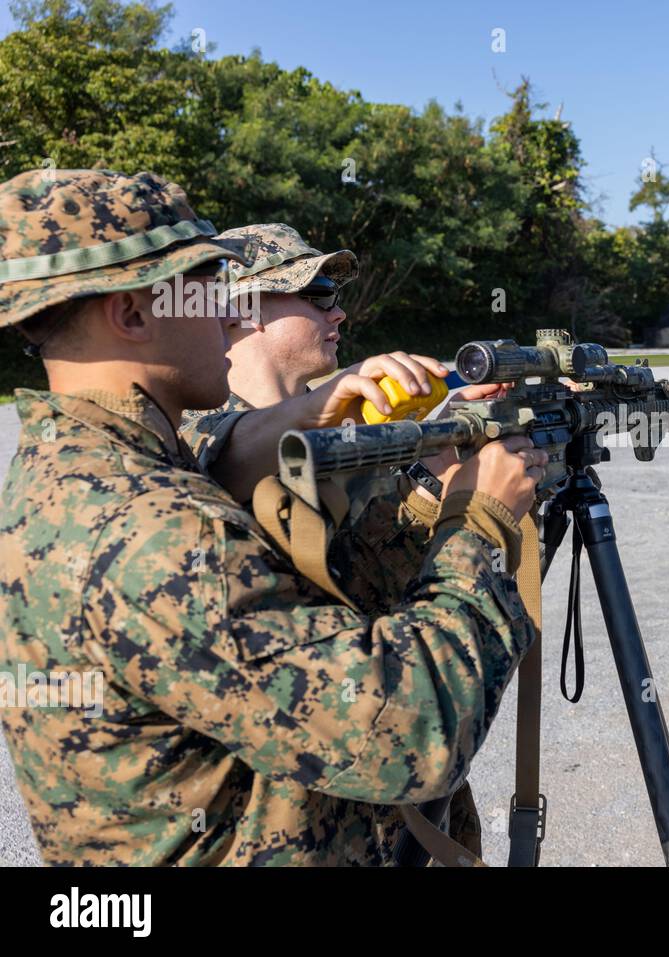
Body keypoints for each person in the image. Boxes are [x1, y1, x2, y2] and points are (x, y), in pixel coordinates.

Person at [0, 168, 544, 865]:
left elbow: (221, 478)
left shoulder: (74, 467)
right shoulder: (155, 529)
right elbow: (413, 731)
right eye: (203, 285)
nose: (227, 313)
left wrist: (304, 421)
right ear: (134, 314)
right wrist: (481, 518)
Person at [178, 221, 496, 855]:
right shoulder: (190, 446)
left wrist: (444, 478)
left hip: (389, 798)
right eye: (318, 292)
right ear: (242, 307)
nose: (340, 310)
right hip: (285, 817)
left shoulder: (345, 424)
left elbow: (370, 582)